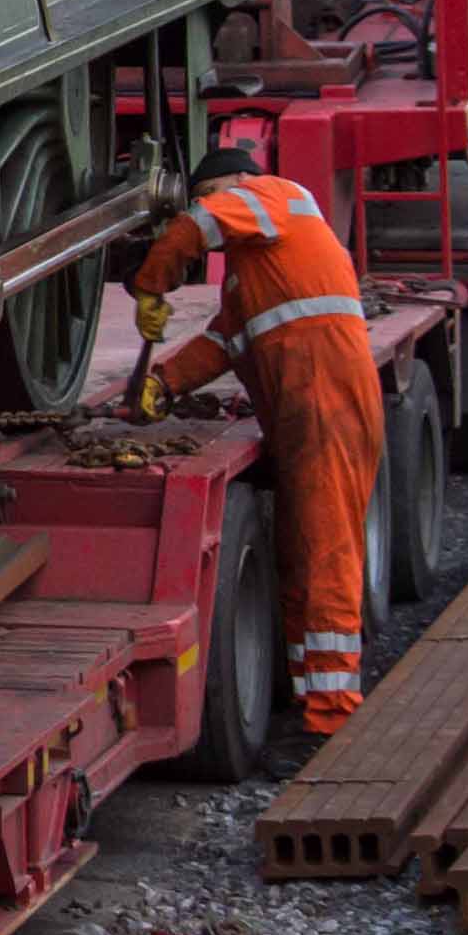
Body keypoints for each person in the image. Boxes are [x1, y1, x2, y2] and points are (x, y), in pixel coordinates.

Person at [123, 145, 383, 734]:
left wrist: (150, 286)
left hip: (326, 397)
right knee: (300, 547)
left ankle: (334, 708)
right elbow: (224, 342)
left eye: (208, 193)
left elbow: (198, 225)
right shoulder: (255, 272)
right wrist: (163, 384)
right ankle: (309, 688)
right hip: (304, 407)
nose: (205, 207)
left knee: (328, 549)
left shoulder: (275, 196)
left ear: (239, 179)